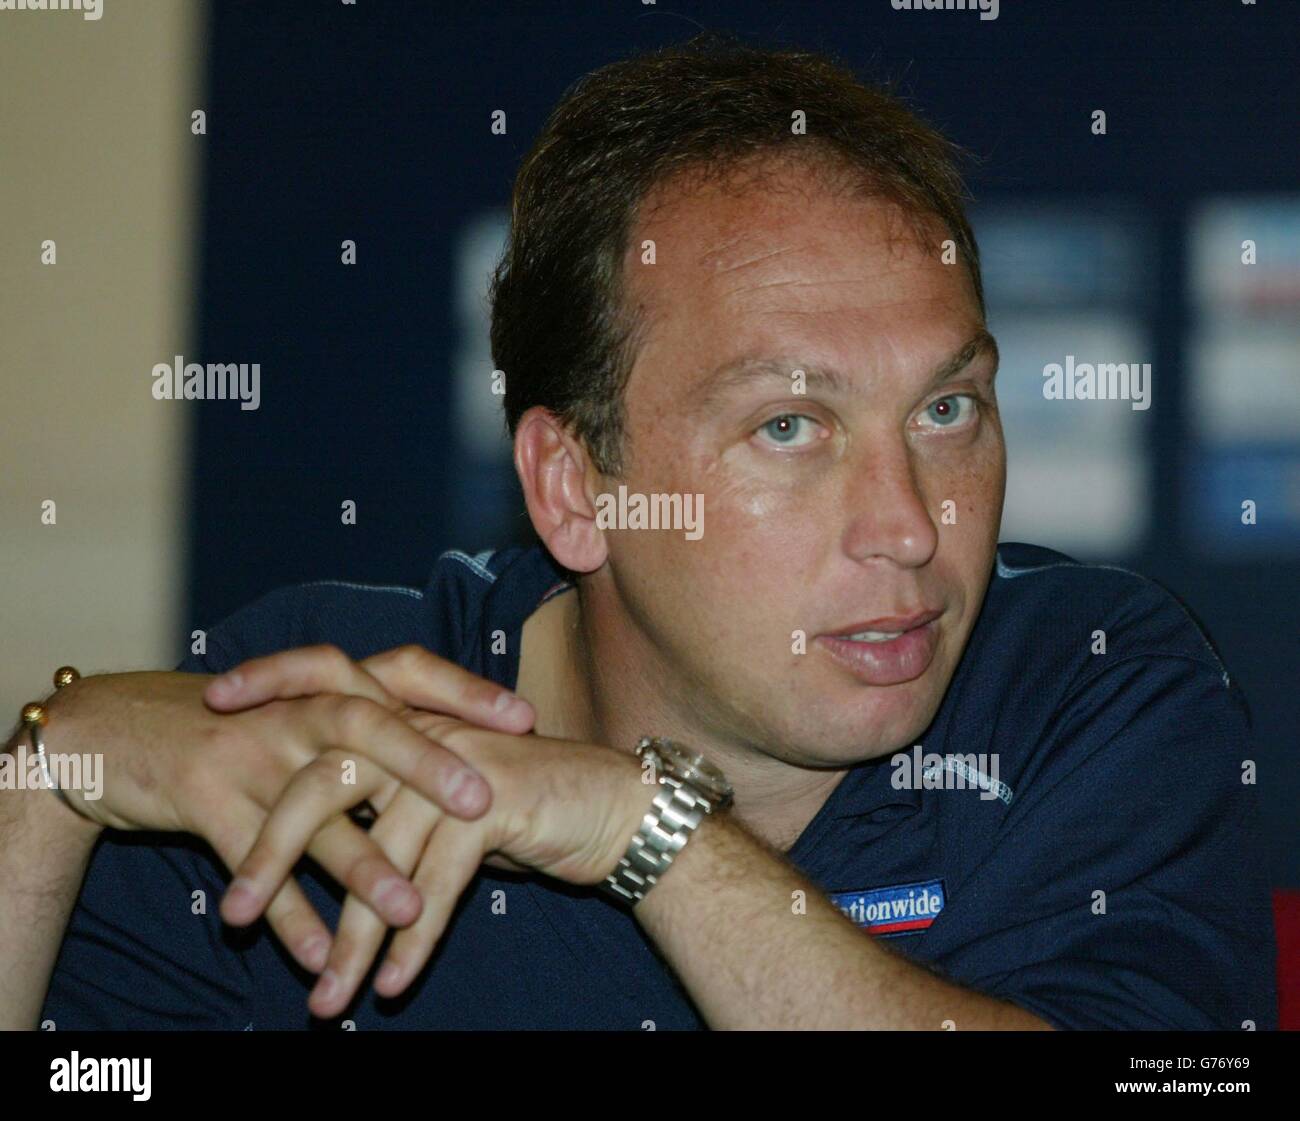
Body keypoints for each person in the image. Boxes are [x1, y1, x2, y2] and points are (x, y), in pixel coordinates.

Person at [1, 36, 1276, 1030]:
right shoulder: (316, 715)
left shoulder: (1090, 688)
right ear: (571, 487)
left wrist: (641, 830)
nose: (907, 527)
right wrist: (46, 782)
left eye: (947, 409)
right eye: (789, 427)